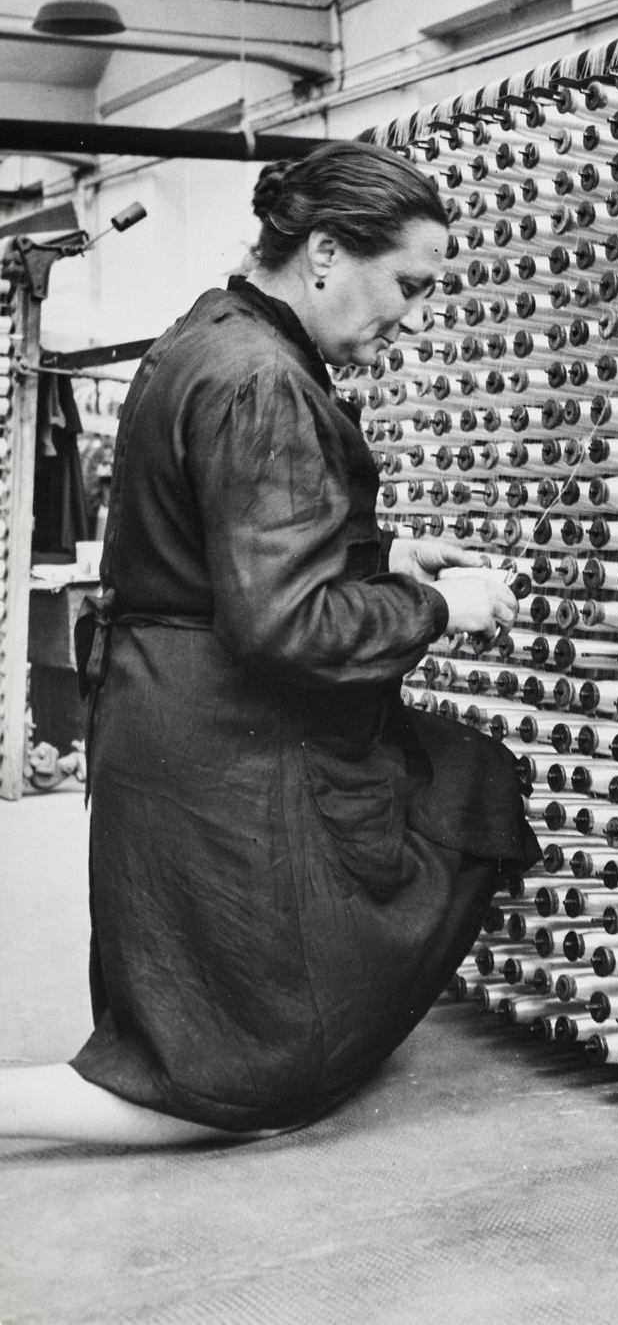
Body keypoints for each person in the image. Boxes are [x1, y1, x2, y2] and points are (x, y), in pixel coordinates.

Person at [0, 142, 537, 1146]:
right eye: (407, 285)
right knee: (233, 1075)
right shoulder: (266, 381)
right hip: (226, 742)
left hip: (166, 716)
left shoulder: (208, 336)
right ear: (326, 251)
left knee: (200, 1017)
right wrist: (443, 609)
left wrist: (391, 553)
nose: (413, 316)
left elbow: (219, 543)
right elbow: (284, 621)